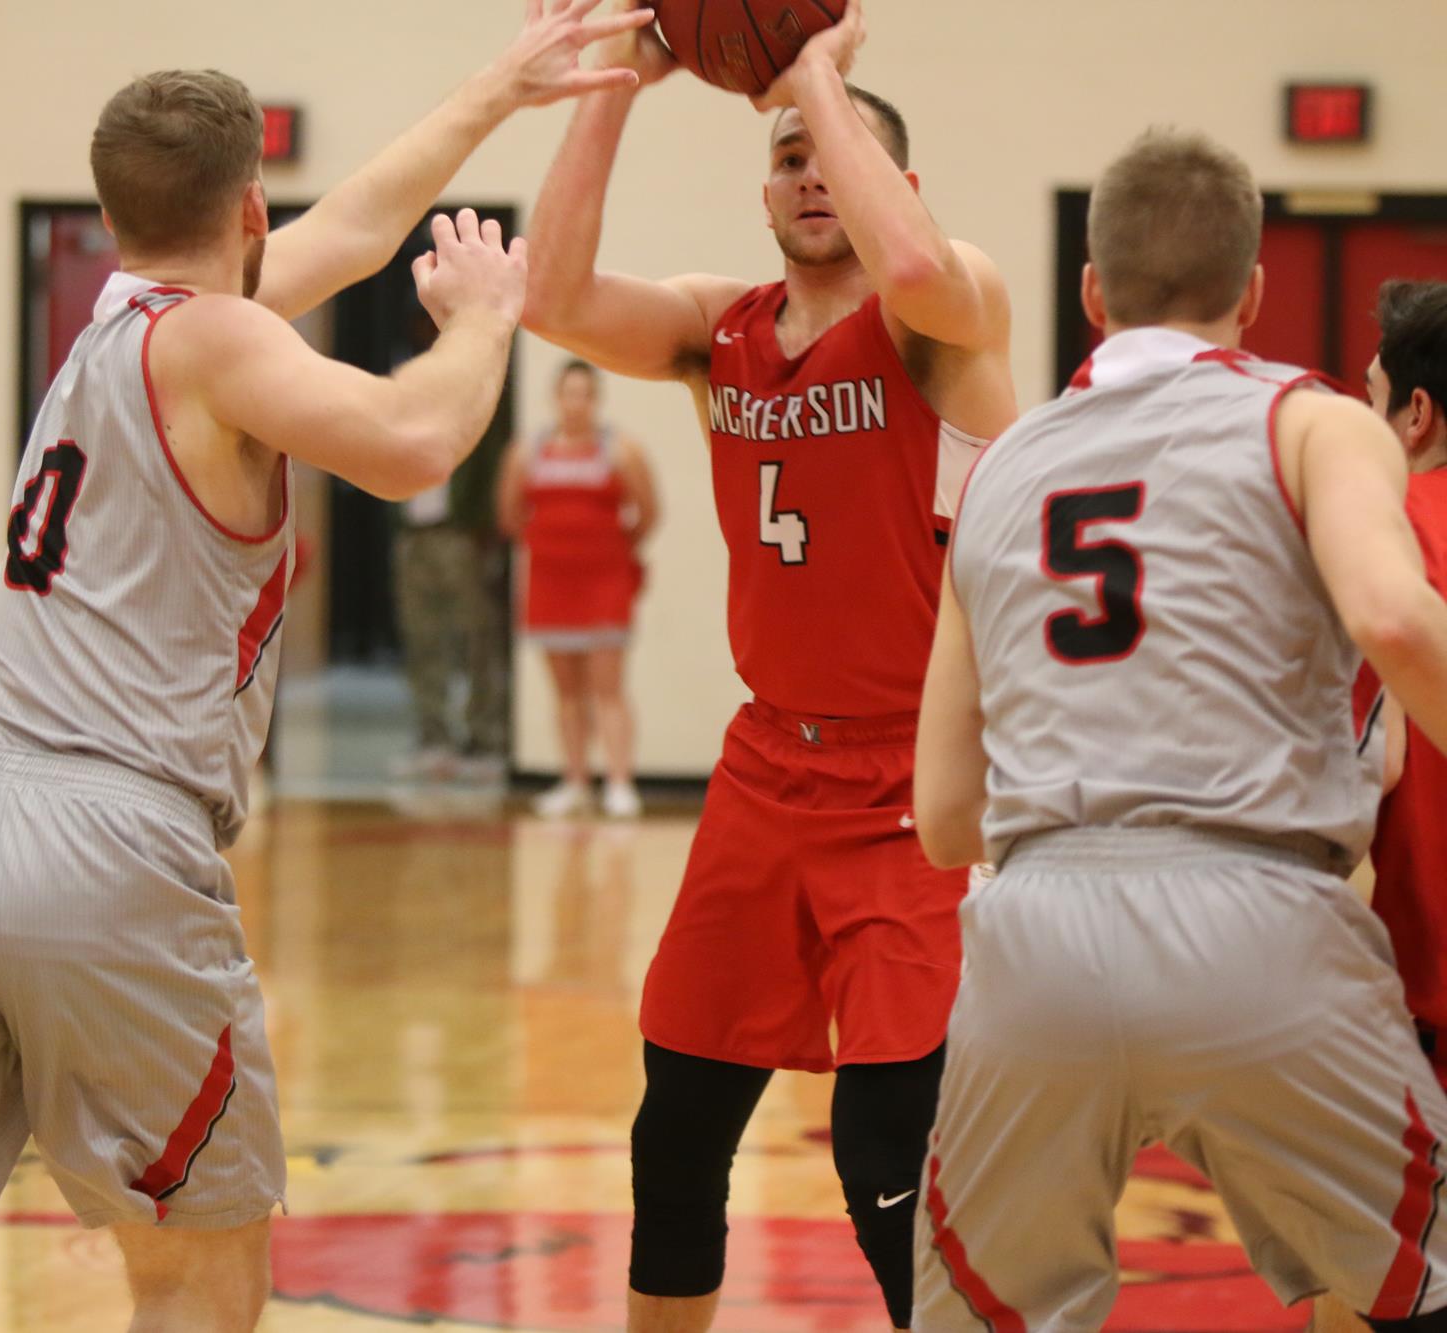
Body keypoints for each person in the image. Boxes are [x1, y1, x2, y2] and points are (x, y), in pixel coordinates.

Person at [0, 5, 650, 1330]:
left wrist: (498, 92)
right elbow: (411, 443)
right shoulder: (222, 344)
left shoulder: (121, 325)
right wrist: (484, 320)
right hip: (108, 833)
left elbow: (346, 227)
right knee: (196, 1271)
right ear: (247, 203)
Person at [521, 2, 1015, 1325]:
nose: (807, 173)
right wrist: (615, 86)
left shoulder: (941, 316)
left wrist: (807, 72)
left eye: (830, 155)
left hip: (909, 785)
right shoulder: (717, 326)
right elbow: (555, 299)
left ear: (887, 181)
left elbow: (910, 268)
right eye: (785, 154)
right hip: (762, 775)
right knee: (674, 1131)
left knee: (884, 1155)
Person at [911, 129, 1447, 1332]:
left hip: (1032, 939)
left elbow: (944, 819)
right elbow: (1392, 619)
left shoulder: (998, 472)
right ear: (1251, 293)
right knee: (1418, 1285)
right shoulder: (1313, 423)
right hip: (1257, 923)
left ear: (1091, 293)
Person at [497, 358, 657, 818]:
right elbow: (510, 514)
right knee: (566, 692)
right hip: (550, 585)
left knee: (609, 688)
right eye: (568, 393)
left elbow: (647, 511)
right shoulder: (527, 452)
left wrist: (611, 549)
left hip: (605, 583)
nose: (576, 403)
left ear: (596, 400)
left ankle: (620, 783)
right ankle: (575, 781)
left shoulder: (622, 451)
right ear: (556, 397)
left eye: (585, 394)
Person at [1364, 279, 1447, 1098]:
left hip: (1430, 995)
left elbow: (1369, 767)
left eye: (1372, 399)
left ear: (1415, 414)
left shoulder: (1381, 527)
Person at [390, 301, 513, 784]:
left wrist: (485, 525)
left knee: (477, 641)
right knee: (423, 642)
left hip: (460, 535)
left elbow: (492, 458)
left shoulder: (476, 384)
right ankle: (433, 740)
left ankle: (484, 741)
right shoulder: (400, 381)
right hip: (413, 535)